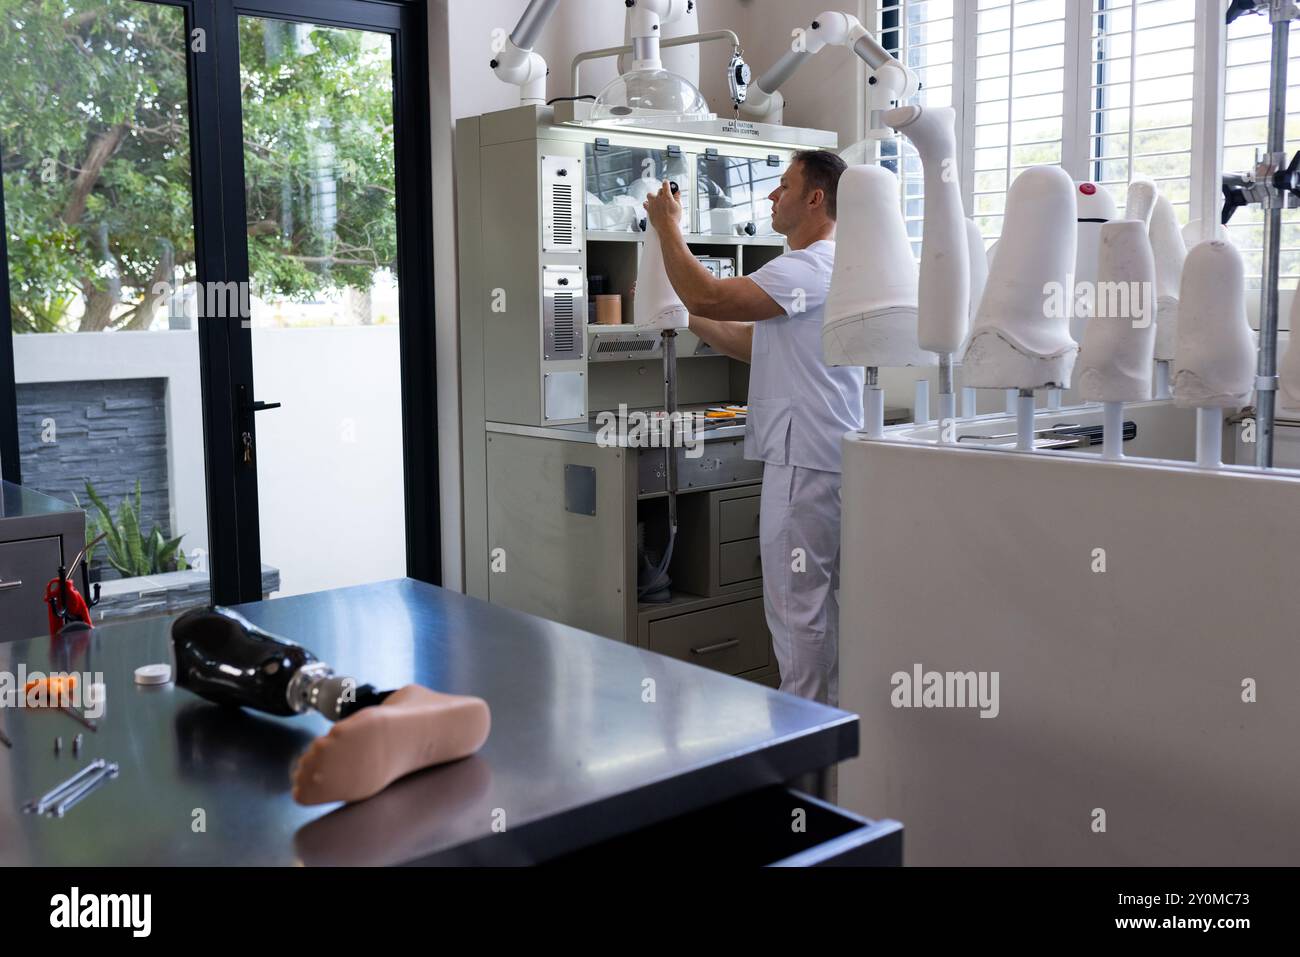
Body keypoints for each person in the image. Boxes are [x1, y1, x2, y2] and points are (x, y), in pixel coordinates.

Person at [642, 149, 861, 706]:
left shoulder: (808, 266)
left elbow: (710, 293)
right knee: (822, 609)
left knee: (796, 610)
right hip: (829, 454)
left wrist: (667, 226)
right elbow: (748, 339)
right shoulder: (837, 269)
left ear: (815, 198)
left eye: (782, 186)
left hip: (804, 460)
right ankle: (826, 736)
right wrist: (683, 314)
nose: (770, 195)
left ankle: (804, 745)